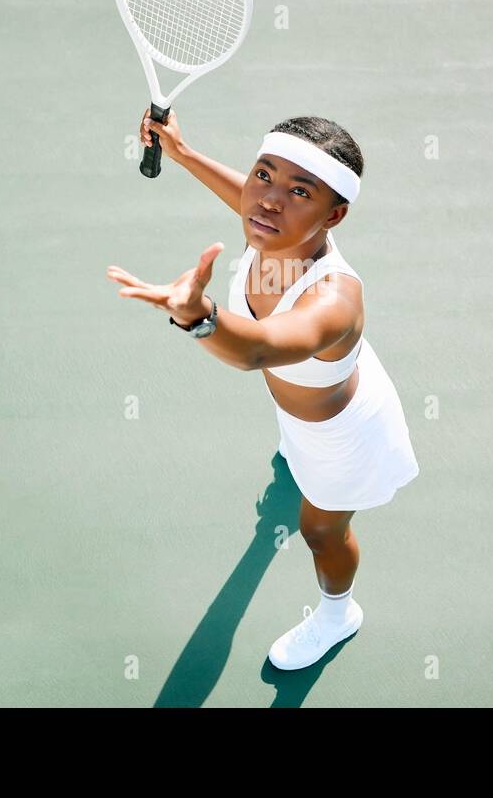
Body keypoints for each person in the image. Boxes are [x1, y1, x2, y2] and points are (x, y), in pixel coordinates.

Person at [106, 110, 419, 670]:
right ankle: (291, 458)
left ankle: (337, 614)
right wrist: (182, 153)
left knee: (320, 530)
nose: (268, 202)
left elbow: (256, 350)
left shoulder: (334, 302)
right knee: (291, 456)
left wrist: (198, 315)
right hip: (301, 398)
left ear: (334, 215)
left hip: (339, 438)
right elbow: (248, 199)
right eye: (264, 174)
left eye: (300, 191)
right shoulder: (275, 226)